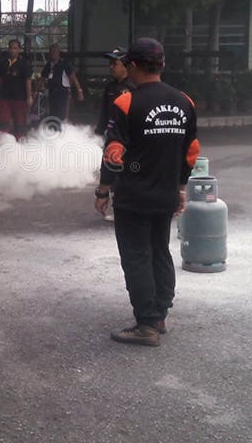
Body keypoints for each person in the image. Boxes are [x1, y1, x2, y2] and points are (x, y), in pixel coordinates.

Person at [94, 38, 200, 347]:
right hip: (165, 194)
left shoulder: (127, 102)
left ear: (133, 66)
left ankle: (146, 324)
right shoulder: (184, 102)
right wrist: (180, 188)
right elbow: (191, 152)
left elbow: (113, 154)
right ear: (162, 65)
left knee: (136, 256)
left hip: (133, 197)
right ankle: (160, 314)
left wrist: (102, 191)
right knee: (159, 250)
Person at [95, 47, 136, 222]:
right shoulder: (110, 87)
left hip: (128, 138)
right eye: (110, 63)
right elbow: (105, 113)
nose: (111, 67)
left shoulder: (133, 87)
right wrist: (98, 131)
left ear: (126, 66)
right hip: (112, 135)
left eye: (115, 63)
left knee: (125, 172)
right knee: (112, 170)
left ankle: (126, 209)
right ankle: (117, 207)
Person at [0, 39, 32, 139]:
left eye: (15, 48)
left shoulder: (24, 64)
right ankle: (2, 143)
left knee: (19, 123)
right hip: (4, 97)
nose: (12, 50)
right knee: (3, 122)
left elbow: (28, 80)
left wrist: (29, 97)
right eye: (11, 48)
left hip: (19, 98)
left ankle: (18, 143)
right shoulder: (3, 63)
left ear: (19, 49)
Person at [40, 44, 84, 122]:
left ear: (58, 52)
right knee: (52, 113)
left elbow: (73, 77)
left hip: (62, 92)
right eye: (51, 52)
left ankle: (64, 128)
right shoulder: (48, 65)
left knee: (62, 113)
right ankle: (54, 129)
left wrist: (79, 91)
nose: (53, 53)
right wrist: (36, 91)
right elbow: (42, 78)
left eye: (55, 52)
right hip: (51, 92)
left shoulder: (65, 64)